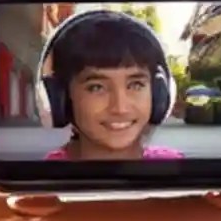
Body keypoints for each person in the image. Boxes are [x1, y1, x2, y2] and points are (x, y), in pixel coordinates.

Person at [39, 10, 184, 161]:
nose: (120, 108)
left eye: (135, 85)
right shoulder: (39, 180)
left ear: (158, 92)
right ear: (61, 98)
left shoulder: (176, 168)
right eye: (96, 87)